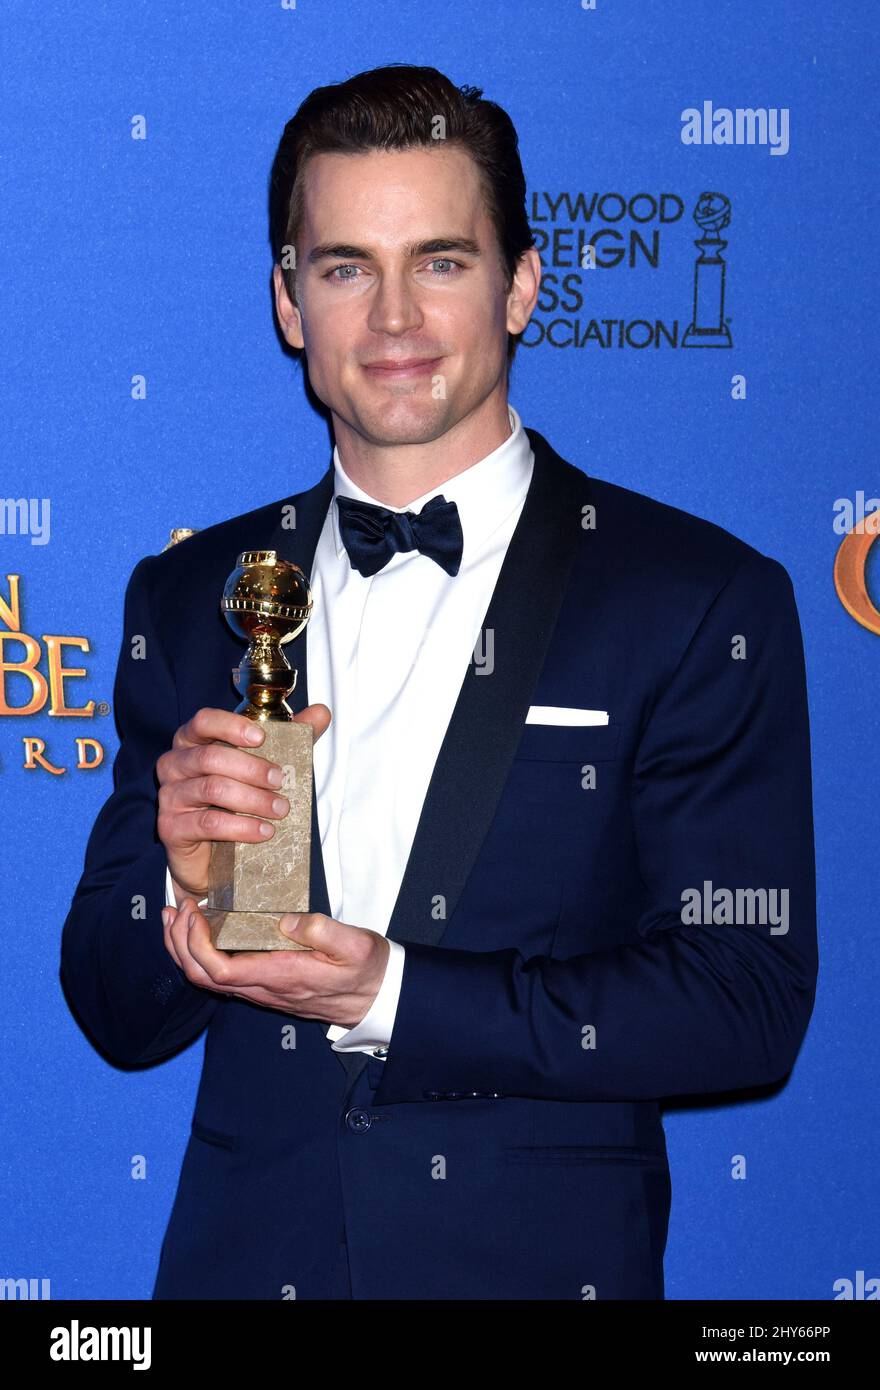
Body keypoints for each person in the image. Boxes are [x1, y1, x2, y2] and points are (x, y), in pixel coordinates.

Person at [61, 63, 817, 1300]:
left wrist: (393, 993)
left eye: (443, 262)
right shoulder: (192, 599)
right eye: (347, 266)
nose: (395, 319)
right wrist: (176, 896)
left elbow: (742, 1001)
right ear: (289, 301)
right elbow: (110, 1005)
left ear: (522, 284)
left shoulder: (694, 599)